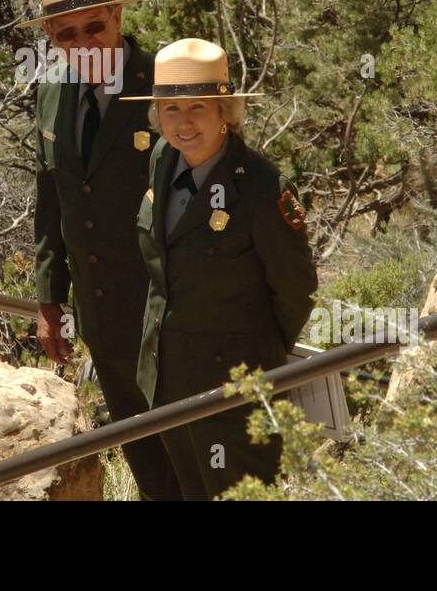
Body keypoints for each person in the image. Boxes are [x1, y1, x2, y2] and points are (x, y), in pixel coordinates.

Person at [121, 37, 317, 500]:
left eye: (197, 108)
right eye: (170, 109)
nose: (183, 123)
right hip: (167, 379)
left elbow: (297, 290)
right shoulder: (162, 160)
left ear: (225, 112)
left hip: (235, 388)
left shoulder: (260, 188)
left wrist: (254, 350)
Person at [19, 0, 183, 500]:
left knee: (194, 458)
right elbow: (55, 197)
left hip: (173, 318)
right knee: (145, 459)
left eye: (96, 25)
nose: (85, 42)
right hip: (103, 318)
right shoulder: (50, 91)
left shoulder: (167, 86)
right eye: (68, 34)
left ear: (116, 14)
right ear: (50, 35)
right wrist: (49, 298)